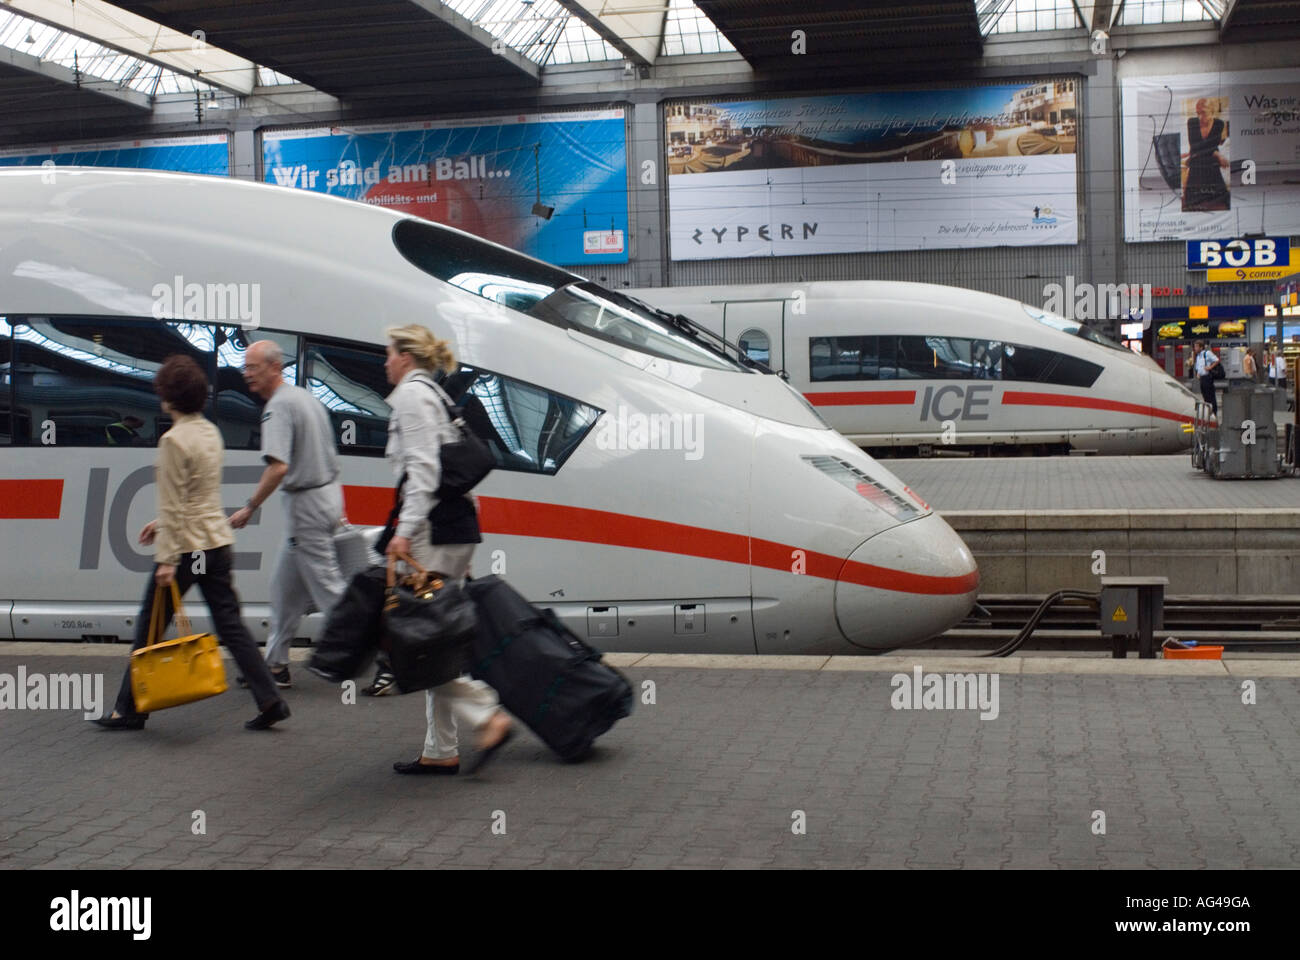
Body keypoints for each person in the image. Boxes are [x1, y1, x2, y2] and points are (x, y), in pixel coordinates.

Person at [95, 355, 290, 731]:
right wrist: (162, 522)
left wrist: (167, 558)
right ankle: (270, 700)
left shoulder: (173, 441)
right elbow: (195, 495)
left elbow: (174, 500)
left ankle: (128, 710)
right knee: (231, 626)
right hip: (216, 544)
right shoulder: (209, 431)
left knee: (149, 627)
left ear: (167, 397)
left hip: (185, 549)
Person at [382, 324, 512, 776]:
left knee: (420, 641)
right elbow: (456, 469)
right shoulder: (436, 396)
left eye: (388, 354)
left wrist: (404, 532)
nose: (384, 363)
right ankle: (440, 750)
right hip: (453, 529)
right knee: (435, 636)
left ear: (405, 357)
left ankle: (487, 715)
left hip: (430, 534)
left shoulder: (412, 399)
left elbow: (422, 472)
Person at [229, 340, 346, 688]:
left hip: (306, 506)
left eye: (253, 367)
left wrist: (250, 507)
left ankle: (388, 651)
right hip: (323, 497)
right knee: (284, 589)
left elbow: (279, 468)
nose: (247, 374)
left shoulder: (278, 407)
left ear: (275, 367)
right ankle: (275, 665)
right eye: (245, 367)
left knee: (330, 591)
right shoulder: (305, 398)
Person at [1182, 98, 1229, 212]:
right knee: (1208, 162)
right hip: (1196, 155)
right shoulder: (1192, 122)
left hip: (1205, 157)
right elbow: (1194, 145)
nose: (1199, 117)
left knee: (1207, 162)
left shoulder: (1219, 124)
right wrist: (1217, 154)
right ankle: (1214, 196)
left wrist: (1215, 152)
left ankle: (1201, 197)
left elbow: (1214, 144)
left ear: (1212, 111)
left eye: (1203, 112)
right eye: (1198, 113)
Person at [1192, 339, 1221, 417]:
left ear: (1201, 347)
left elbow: (1217, 360)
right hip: (1202, 378)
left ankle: (1214, 412)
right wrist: (1198, 374)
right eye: (1194, 347)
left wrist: (1210, 367)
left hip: (1208, 377)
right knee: (1205, 396)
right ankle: (1209, 412)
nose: (1195, 348)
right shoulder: (1198, 356)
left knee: (1210, 396)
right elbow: (1198, 366)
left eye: (1196, 347)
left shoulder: (1207, 353)